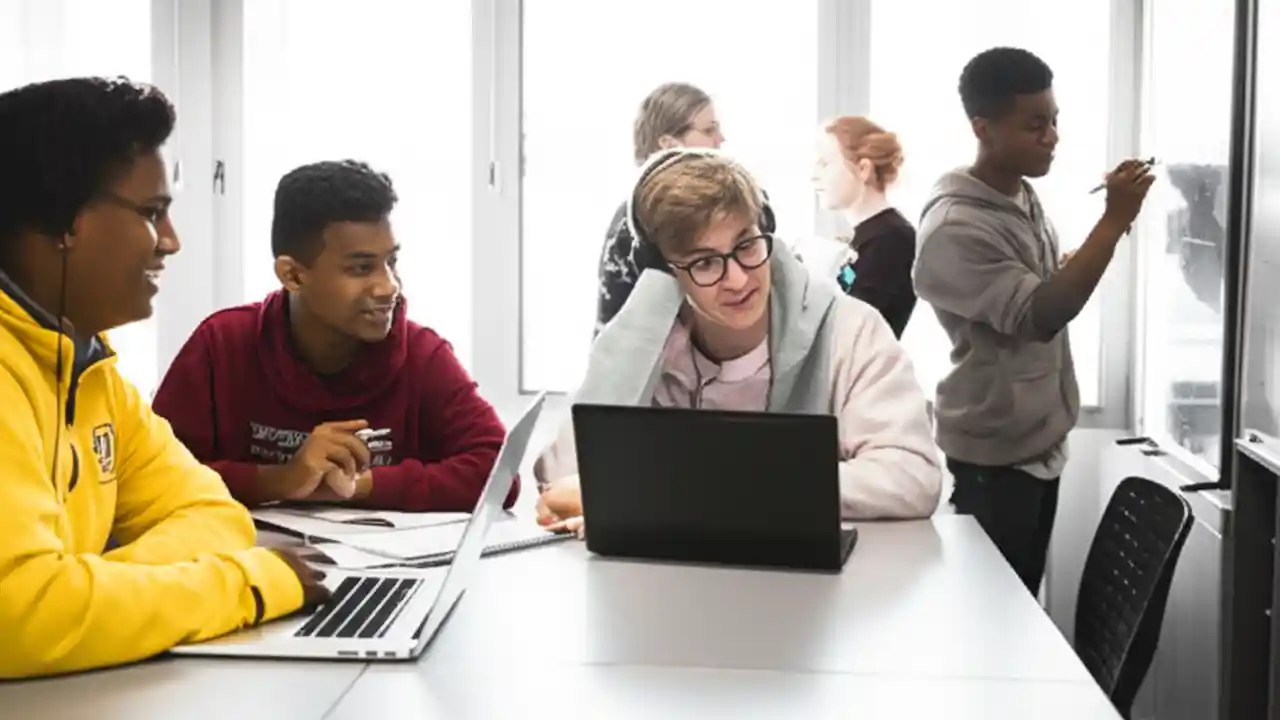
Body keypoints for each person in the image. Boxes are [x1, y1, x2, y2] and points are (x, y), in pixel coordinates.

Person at [0, 77, 323, 679]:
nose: (170, 242)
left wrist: (87, 592)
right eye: (152, 213)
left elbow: (216, 514)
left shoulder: (87, 364)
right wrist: (248, 586)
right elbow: (19, 618)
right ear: (63, 220)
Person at [537, 148, 942, 533]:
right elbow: (563, 480)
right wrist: (641, 318)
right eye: (704, 262)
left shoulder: (849, 330)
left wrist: (694, 491)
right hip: (669, 587)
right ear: (665, 272)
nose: (738, 279)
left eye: (746, 245)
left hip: (813, 590)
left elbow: (910, 476)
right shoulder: (648, 343)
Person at [913, 47, 1154, 594]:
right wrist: (1115, 220)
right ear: (984, 128)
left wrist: (1077, 255)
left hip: (1032, 443)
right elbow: (1041, 314)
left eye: (1054, 119)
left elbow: (1036, 283)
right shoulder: (956, 225)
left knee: (1019, 605)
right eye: (1035, 124)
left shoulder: (1019, 194)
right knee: (999, 616)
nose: (1052, 137)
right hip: (995, 458)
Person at [152, 160, 514, 512]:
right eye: (361, 268)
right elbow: (154, 476)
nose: (389, 286)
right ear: (292, 275)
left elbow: (502, 475)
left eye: (392, 262)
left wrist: (358, 486)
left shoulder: (423, 354)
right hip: (250, 563)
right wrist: (281, 479)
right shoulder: (221, 344)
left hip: (386, 565)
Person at [595, 82, 725, 335]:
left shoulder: (638, 209)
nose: (721, 140)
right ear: (669, 144)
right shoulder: (652, 217)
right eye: (709, 130)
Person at [806, 115, 917, 338]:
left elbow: (852, 330)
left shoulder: (891, 240)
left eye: (825, 163)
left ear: (863, 169)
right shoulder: (869, 237)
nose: (814, 176)